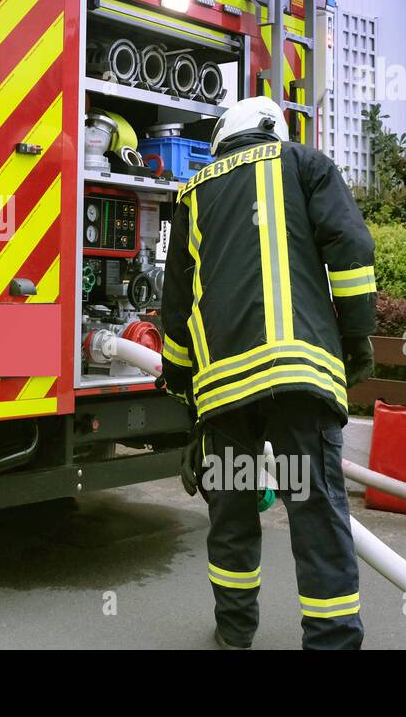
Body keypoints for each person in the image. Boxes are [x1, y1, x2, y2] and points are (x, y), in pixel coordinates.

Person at [158, 96, 376, 650]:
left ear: (223, 141)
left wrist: (183, 393)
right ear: (273, 130)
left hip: (225, 394)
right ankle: (331, 640)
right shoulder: (306, 164)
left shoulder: (194, 192)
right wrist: (355, 338)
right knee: (316, 512)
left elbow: (177, 306)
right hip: (300, 378)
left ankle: (234, 632)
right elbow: (350, 247)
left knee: (231, 514)